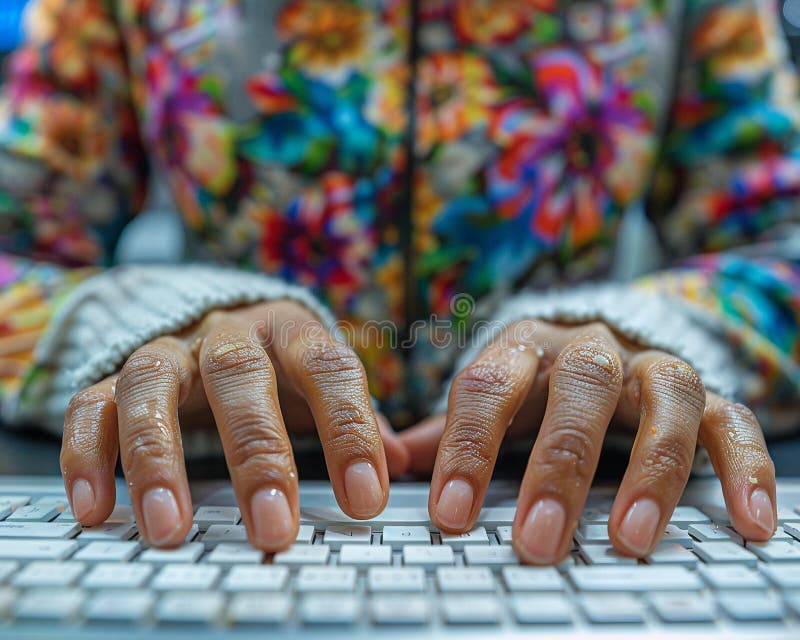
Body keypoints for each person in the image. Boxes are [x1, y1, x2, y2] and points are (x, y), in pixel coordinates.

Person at [0, 0, 798, 566]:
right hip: (214, 482)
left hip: (573, 480)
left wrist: (634, 334)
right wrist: (157, 322)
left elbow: (781, 244)